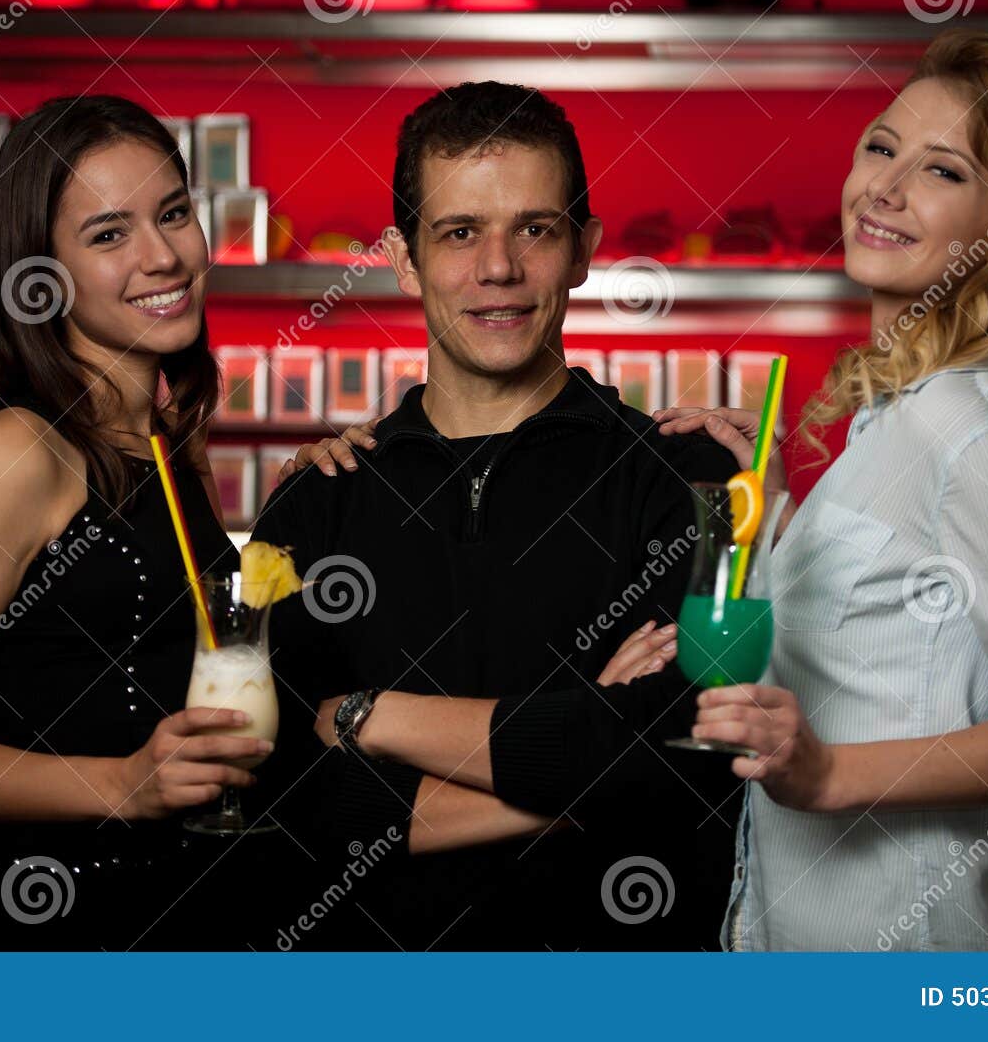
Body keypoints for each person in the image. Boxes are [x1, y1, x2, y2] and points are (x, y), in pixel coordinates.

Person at [657, 29, 988, 950]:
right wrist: (780, 520)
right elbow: (889, 653)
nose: (884, 187)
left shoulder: (974, 430)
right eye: (881, 148)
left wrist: (831, 774)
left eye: (943, 171)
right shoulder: (891, 425)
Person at [256, 80, 739, 950]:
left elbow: (697, 756)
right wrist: (586, 754)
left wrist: (369, 715)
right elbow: (272, 792)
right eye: (459, 232)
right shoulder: (314, 501)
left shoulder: (688, 480)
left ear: (583, 249)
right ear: (403, 258)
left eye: (535, 229)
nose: (498, 269)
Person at [0, 95, 272, 949]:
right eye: (109, 233)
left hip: (167, 913)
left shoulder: (169, 442)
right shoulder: (17, 454)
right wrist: (124, 784)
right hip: (37, 922)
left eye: (173, 213)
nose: (163, 256)